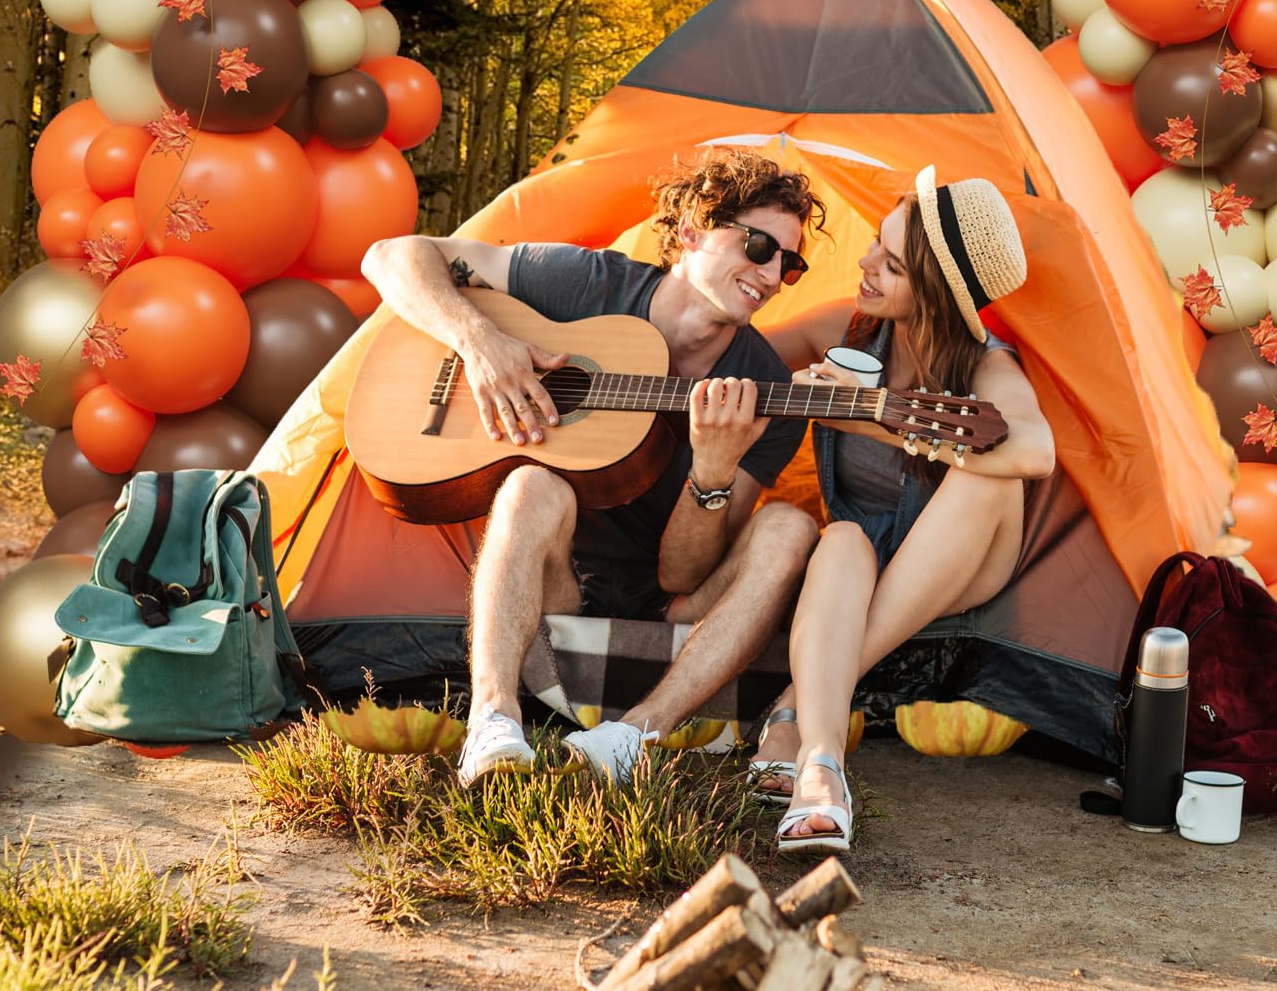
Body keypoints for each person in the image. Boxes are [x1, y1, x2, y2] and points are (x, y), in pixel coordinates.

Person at [359, 147, 826, 785]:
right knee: (531, 481)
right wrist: (481, 343)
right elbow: (391, 255)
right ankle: (493, 722)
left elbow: (682, 573)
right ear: (691, 231)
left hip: (671, 606)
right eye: (758, 246)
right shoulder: (588, 286)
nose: (772, 275)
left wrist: (712, 473)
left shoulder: (766, 387)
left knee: (792, 528)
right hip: (558, 582)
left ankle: (631, 737)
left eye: (789, 263)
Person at [754, 167, 1057, 854]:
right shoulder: (849, 330)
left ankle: (792, 708)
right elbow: (732, 363)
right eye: (875, 246)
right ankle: (822, 766)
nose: (864, 265)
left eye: (890, 264)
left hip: (959, 560)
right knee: (838, 541)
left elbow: (1036, 451)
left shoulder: (985, 368)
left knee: (992, 472)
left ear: (938, 293)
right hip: (864, 549)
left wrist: (876, 422)